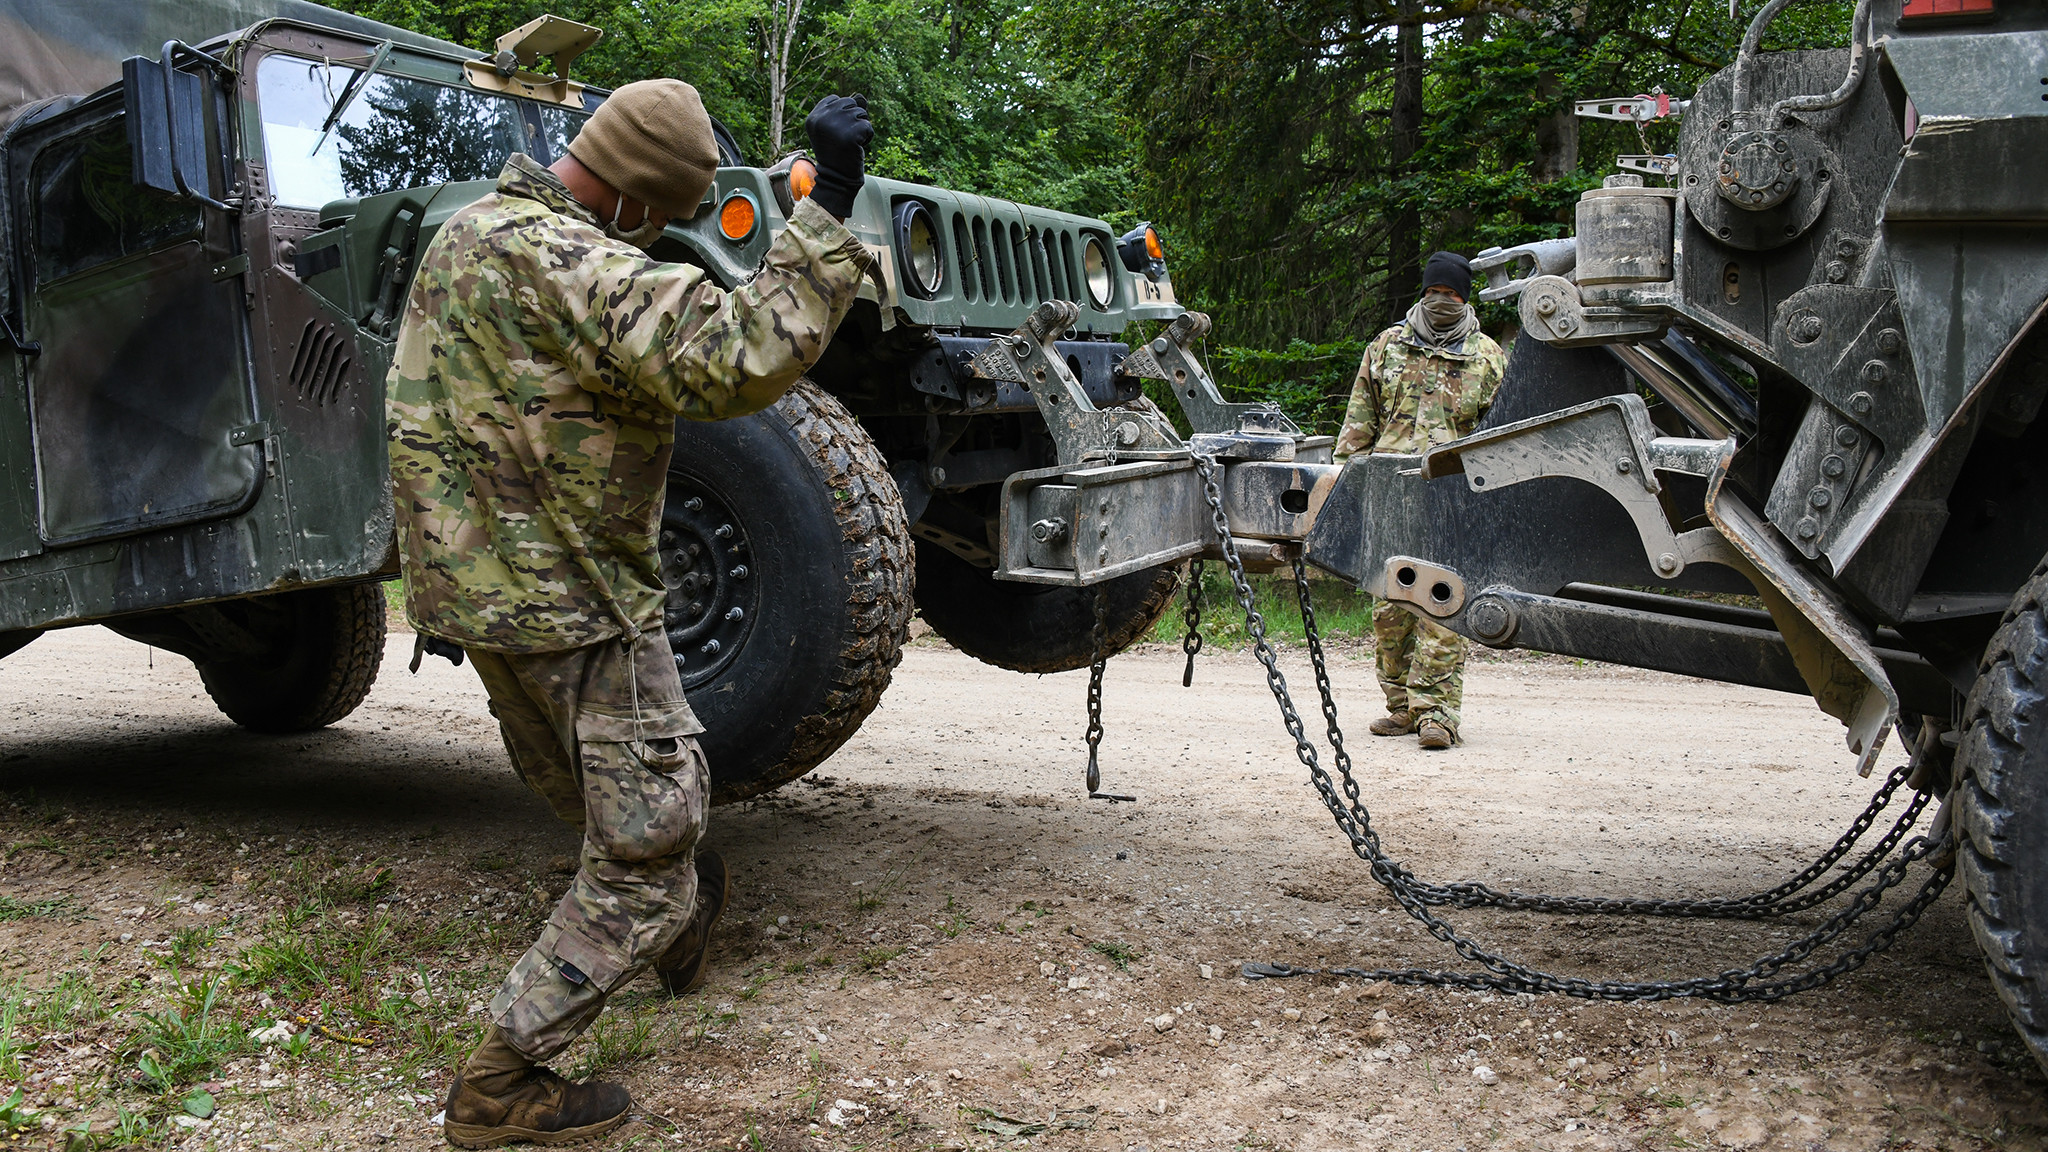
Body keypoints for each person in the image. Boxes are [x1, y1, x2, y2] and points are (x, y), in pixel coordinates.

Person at [386, 80, 878, 1148]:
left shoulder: (466, 233)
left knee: (589, 787)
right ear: (628, 195)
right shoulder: (589, 266)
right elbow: (740, 353)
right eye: (657, 215)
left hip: (475, 595)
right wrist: (828, 201)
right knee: (647, 849)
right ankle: (503, 1079)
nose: (657, 233)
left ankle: (678, 923)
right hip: (577, 602)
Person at [1334, 251, 1508, 751]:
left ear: (1465, 298)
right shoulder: (1386, 348)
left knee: (1441, 604)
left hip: (1453, 498)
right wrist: (1348, 493)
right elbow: (1358, 423)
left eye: (1451, 296)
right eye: (1435, 294)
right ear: (1423, 293)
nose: (1441, 303)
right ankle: (1400, 706)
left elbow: (1500, 440)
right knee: (1389, 610)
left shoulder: (1488, 358)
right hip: (1390, 495)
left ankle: (1436, 712)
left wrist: (1491, 502)